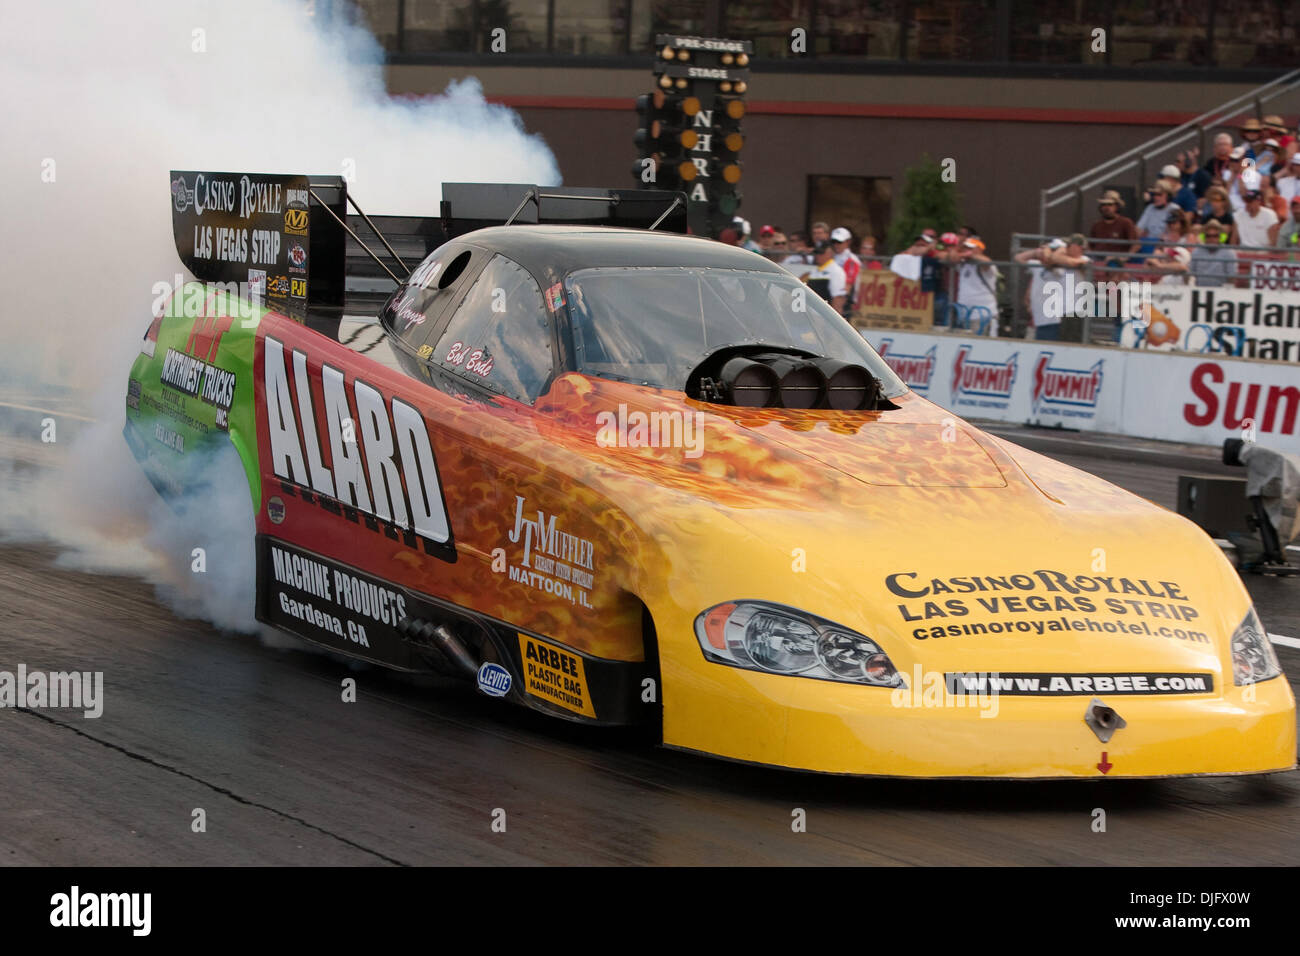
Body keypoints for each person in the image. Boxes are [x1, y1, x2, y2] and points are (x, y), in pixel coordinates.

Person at [953, 237, 999, 334]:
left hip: (982, 314)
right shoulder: (963, 264)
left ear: (979, 249)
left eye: (970, 248)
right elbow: (951, 258)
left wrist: (969, 254)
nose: (967, 250)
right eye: (965, 247)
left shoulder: (986, 265)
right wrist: (958, 248)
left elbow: (987, 262)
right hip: (964, 314)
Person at [1089, 190, 1139, 264]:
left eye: (1110, 204)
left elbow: (1136, 244)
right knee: (1072, 263)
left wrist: (1124, 258)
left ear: (1117, 206)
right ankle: (1068, 276)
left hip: (1116, 261)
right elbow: (1090, 246)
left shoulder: (1126, 222)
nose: (1106, 208)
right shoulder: (1096, 225)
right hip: (1097, 259)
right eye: (1104, 205)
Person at [1188, 219, 1238, 287]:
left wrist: (1226, 293)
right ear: (1204, 237)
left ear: (1220, 237)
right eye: (1208, 236)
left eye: (1215, 236)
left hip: (1221, 292)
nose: (1212, 239)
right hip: (1199, 290)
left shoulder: (1229, 253)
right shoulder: (1197, 252)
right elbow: (1190, 273)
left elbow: (1232, 277)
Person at [806, 239, 847, 313]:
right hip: (812, 316)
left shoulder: (836, 271)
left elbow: (838, 299)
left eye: (821, 253)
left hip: (825, 316)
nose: (818, 255)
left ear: (830, 253)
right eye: (816, 253)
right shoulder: (814, 270)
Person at [830, 226, 861, 313]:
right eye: (834, 242)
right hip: (830, 298)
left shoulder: (851, 260)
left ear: (848, 242)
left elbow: (847, 286)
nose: (836, 245)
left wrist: (838, 306)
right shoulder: (830, 256)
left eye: (839, 242)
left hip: (843, 303)